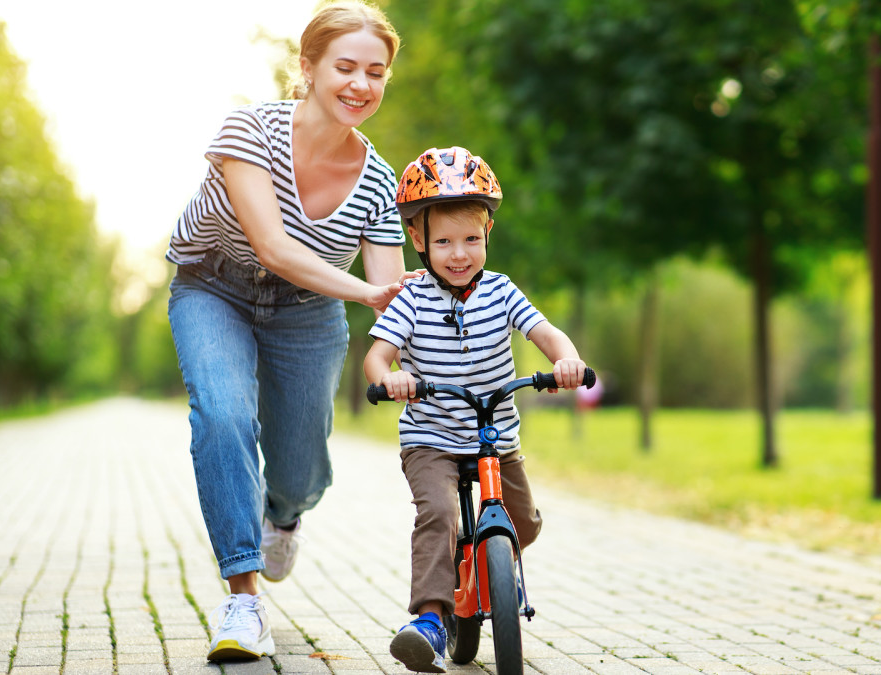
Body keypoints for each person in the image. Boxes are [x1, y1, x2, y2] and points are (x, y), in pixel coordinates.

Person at [165, 1, 412, 662]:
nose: (361, 84)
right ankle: (243, 598)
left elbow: (394, 297)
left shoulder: (381, 182)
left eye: (376, 72)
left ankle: (285, 515)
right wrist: (364, 289)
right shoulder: (248, 130)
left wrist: (411, 357)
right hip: (213, 286)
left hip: (307, 309)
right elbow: (271, 245)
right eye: (346, 67)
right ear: (307, 67)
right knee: (222, 415)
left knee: (300, 465)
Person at [364, 147, 587, 673]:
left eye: (470, 239)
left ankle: (488, 568)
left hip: (495, 437)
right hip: (432, 439)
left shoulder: (502, 291)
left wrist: (567, 360)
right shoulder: (412, 299)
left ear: (488, 231)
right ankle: (431, 620)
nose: (458, 253)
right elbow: (376, 356)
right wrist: (390, 379)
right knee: (438, 514)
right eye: (443, 241)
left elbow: (545, 333)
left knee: (525, 523)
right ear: (418, 241)